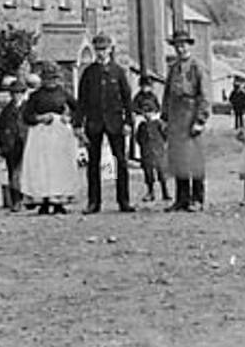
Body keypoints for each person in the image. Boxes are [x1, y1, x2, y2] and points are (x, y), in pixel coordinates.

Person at [75, 33, 136, 214]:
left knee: (121, 162)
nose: (101, 53)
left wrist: (128, 122)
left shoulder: (118, 72)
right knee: (93, 163)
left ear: (110, 50)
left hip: (115, 122)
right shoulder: (89, 73)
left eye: (104, 49)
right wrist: (78, 124)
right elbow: (82, 101)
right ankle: (94, 202)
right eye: (98, 49)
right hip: (94, 122)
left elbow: (127, 100)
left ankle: (123, 201)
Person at [19, 61, 80, 215]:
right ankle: (44, 200)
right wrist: (39, 118)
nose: (51, 82)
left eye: (53, 79)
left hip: (59, 133)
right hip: (41, 134)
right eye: (47, 79)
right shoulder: (35, 96)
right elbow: (26, 116)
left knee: (59, 165)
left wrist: (69, 118)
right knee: (43, 166)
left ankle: (58, 200)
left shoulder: (63, 93)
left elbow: (78, 109)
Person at [164, 30, 210, 212]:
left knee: (194, 159)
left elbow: (205, 95)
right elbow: (167, 95)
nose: (180, 48)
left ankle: (197, 199)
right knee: (179, 158)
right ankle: (181, 199)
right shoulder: (173, 68)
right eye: (177, 45)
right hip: (176, 116)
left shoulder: (198, 66)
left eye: (183, 45)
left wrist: (200, 119)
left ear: (190, 46)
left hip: (191, 113)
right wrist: (165, 118)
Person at [132, 78, 169, 203]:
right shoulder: (137, 98)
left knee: (161, 168)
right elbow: (137, 137)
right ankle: (150, 191)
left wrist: (163, 142)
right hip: (146, 148)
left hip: (158, 147)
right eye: (143, 86)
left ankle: (165, 191)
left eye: (147, 86)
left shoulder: (157, 122)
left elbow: (165, 134)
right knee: (148, 169)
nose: (145, 88)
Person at [0, 78, 29, 211]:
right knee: (12, 172)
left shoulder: (28, 108)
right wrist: (2, 145)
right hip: (12, 145)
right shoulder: (6, 110)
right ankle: (15, 200)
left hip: (26, 143)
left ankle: (27, 199)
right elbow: (0, 129)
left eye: (19, 92)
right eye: (14, 93)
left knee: (25, 172)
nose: (17, 95)